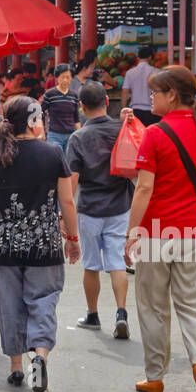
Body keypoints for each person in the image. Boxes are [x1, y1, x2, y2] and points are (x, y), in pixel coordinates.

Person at [0, 96, 81, 392]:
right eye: (40, 117)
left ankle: (16, 366)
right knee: (43, 300)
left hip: (4, 248)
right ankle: (39, 355)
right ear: (31, 121)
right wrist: (73, 239)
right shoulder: (53, 153)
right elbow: (67, 201)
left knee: (9, 305)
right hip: (45, 246)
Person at [123, 65, 196, 392]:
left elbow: (144, 188)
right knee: (194, 302)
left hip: (155, 233)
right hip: (195, 230)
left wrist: (130, 233)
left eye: (155, 92)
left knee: (153, 306)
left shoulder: (155, 134)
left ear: (172, 95)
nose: (151, 97)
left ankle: (155, 378)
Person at [66, 82, 134, 338]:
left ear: (82, 107)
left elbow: (71, 183)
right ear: (107, 100)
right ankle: (121, 313)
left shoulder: (78, 138)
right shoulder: (121, 129)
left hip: (90, 209)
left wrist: (65, 216)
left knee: (91, 265)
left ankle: (93, 315)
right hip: (120, 206)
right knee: (117, 263)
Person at [42, 64, 81, 151]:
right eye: (62, 77)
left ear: (71, 78)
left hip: (71, 135)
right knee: (56, 160)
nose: (65, 80)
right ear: (57, 78)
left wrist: (79, 133)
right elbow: (40, 112)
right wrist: (42, 130)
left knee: (69, 162)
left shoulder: (74, 96)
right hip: (54, 135)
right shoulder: (49, 95)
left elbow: (76, 117)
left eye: (68, 77)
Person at [121, 46, 158, 126]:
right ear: (150, 57)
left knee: (137, 137)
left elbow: (125, 92)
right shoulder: (156, 72)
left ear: (138, 57)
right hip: (152, 111)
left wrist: (123, 109)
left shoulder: (130, 72)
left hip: (135, 111)